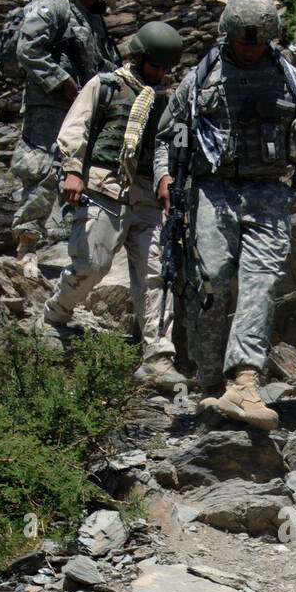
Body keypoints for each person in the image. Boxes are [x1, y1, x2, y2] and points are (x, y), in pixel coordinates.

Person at [154, 0, 296, 431]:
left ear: (272, 37)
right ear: (227, 34)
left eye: (258, 41)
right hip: (213, 191)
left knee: (260, 280)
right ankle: (210, 380)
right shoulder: (200, 81)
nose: (250, 49)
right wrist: (166, 175)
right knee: (212, 278)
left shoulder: (294, 82)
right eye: (242, 40)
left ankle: (246, 381)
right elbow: (171, 134)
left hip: (270, 193)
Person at [41, 21, 185, 388]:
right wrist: (73, 171)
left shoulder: (168, 102)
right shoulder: (104, 87)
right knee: (92, 265)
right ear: (139, 57)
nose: (161, 74)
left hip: (148, 195)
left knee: (156, 274)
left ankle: (158, 356)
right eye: (156, 66)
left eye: (166, 68)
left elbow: (168, 144)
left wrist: (169, 180)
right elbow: (76, 129)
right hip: (104, 187)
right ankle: (57, 313)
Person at [11, 0, 119, 260]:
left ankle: (78, 250)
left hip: (84, 111)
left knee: (82, 171)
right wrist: (62, 82)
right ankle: (27, 246)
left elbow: (102, 64)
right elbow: (28, 48)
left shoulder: (95, 18)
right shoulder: (55, 8)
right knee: (43, 170)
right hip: (50, 107)